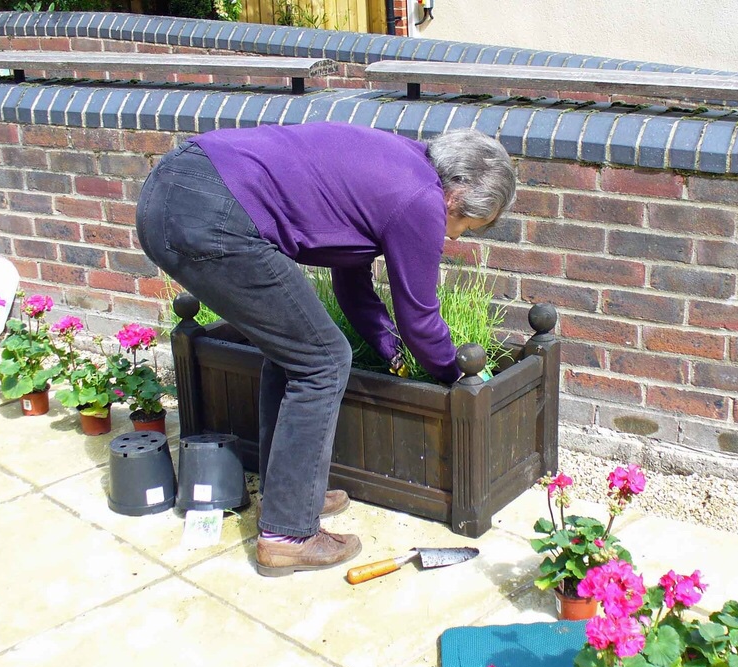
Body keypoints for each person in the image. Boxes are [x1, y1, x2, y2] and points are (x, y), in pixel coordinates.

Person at [136, 122, 517, 577]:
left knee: (299, 352)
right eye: (467, 227)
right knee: (323, 361)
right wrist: (456, 373)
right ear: (458, 197)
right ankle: (287, 537)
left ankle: (290, 497)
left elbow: (351, 281)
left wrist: (389, 348)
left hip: (175, 186)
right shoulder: (422, 200)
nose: (455, 238)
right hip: (211, 213)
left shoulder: (397, 166)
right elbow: (419, 318)